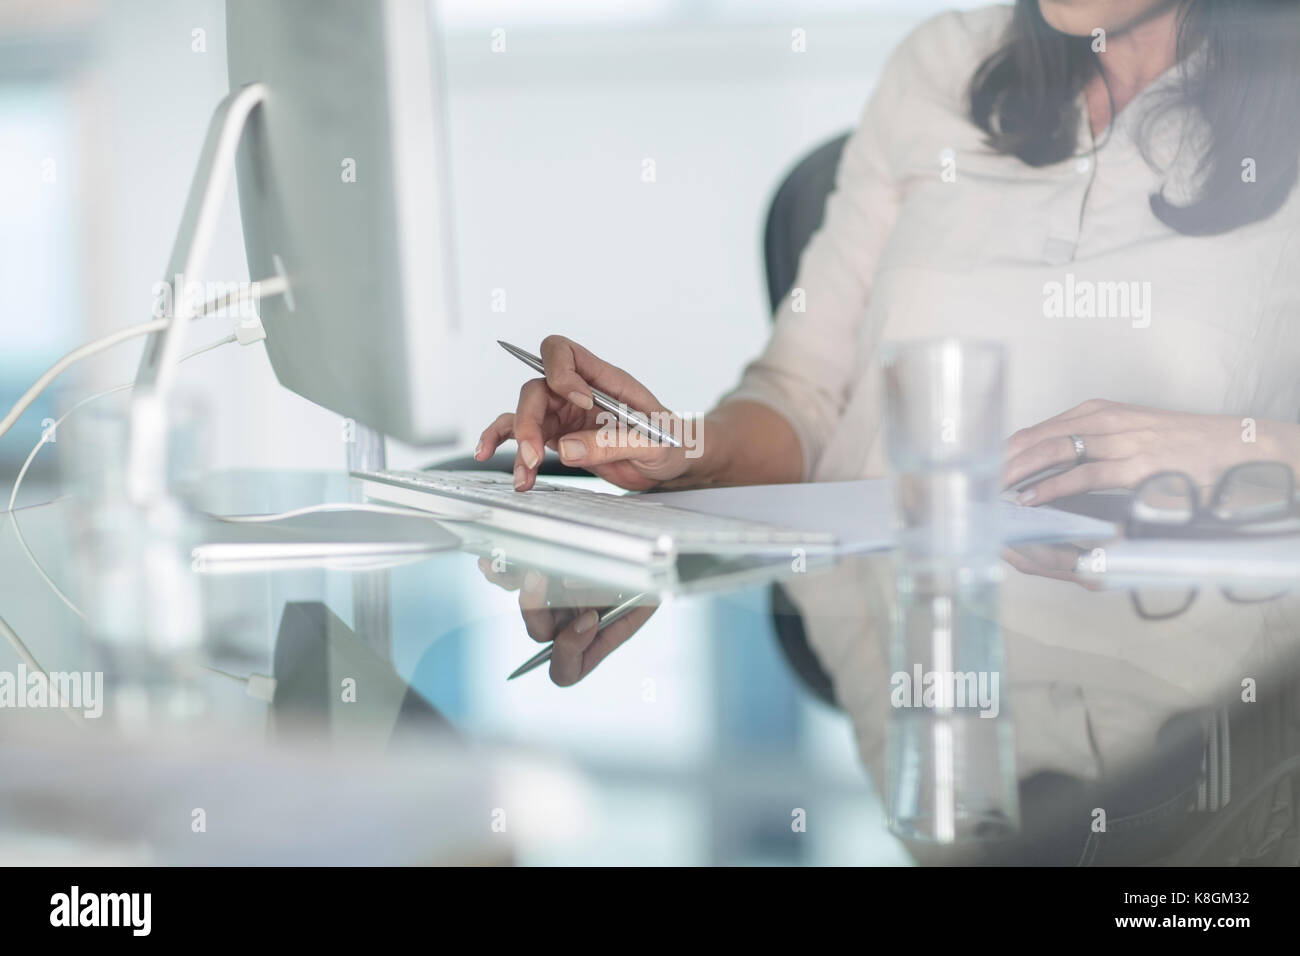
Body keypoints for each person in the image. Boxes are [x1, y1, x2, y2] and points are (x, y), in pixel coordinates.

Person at [475, 0, 1300, 680]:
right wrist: (679, 446)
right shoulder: (939, 65)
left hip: (1192, 713)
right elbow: (801, 395)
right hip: (910, 669)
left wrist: (1231, 448)